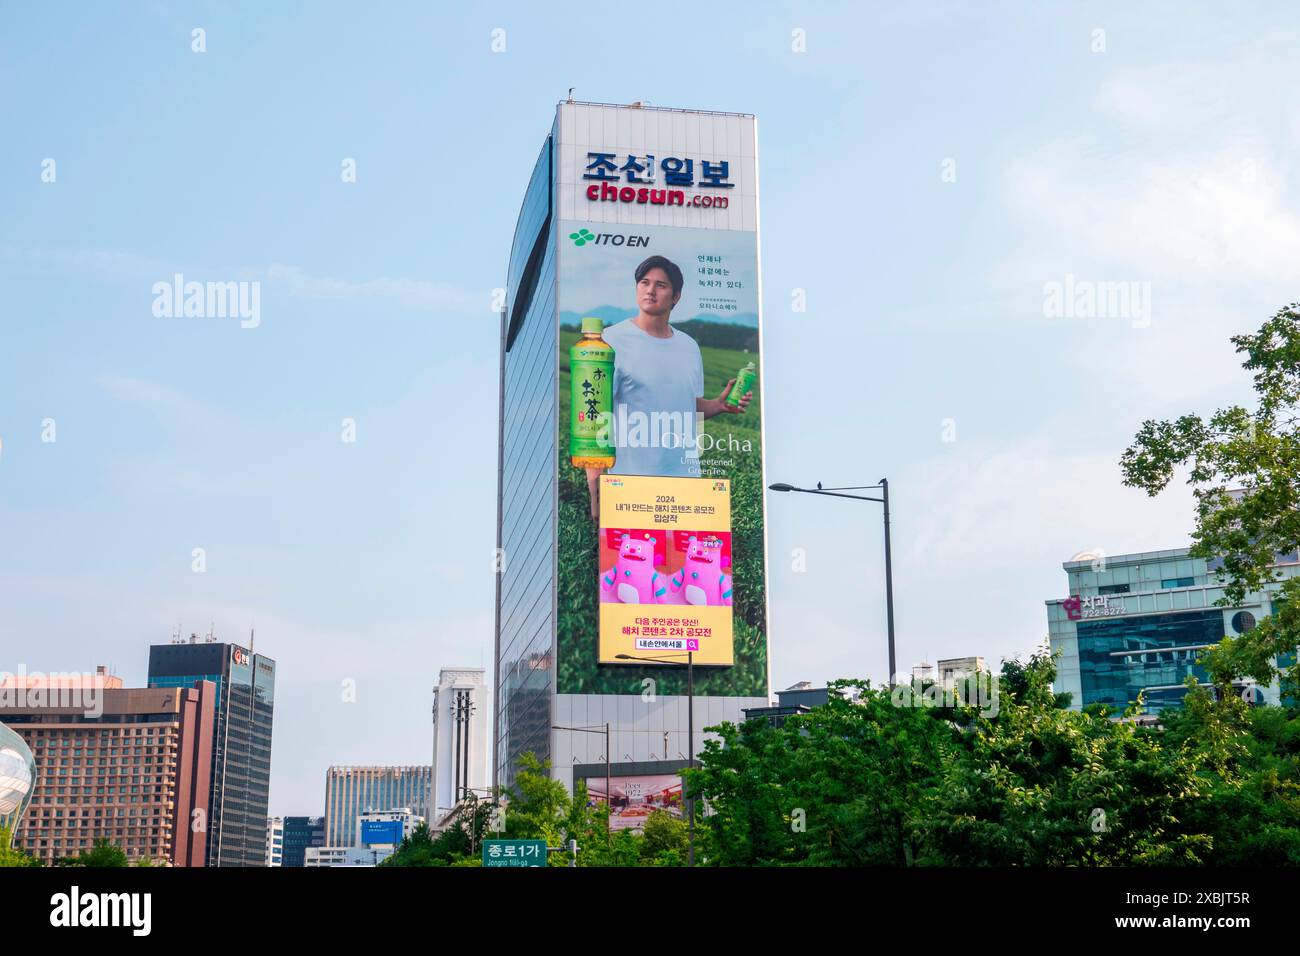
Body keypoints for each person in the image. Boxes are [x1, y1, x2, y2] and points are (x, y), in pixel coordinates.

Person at [584, 254, 752, 518]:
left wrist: (719, 405)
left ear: (676, 297)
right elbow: (594, 420)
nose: (650, 290)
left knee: (688, 559)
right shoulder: (610, 340)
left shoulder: (688, 346)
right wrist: (596, 495)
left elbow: (685, 405)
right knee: (632, 559)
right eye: (644, 282)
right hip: (630, 488)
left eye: (661, 285)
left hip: (685, 489)